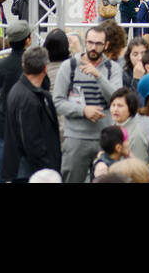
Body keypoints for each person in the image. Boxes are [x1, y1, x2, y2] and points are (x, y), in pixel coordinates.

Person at [53, 23, 124, 182]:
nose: (93, 47)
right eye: (90, 43)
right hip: (76, 139)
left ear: (106, 45)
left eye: (98, 44)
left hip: (105, 139)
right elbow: (57, 101)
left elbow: (117, 99)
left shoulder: (113, 68)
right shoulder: (69, 66)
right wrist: (83, 111)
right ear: (85, 42)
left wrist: (99, 76)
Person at [0, 45, 61, 182]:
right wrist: (49, 168)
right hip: (29, 171)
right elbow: (32, 141)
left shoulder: (22, 91)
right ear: (45, 69)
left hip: (26, 169)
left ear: (23, 65)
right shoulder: (28, 99)